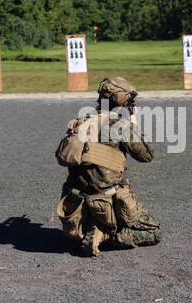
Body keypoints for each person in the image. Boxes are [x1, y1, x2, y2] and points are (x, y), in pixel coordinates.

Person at [55, 76, 162, 256]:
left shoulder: (80, 122)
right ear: (122, 100)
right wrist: (133, 121)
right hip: (107, 199)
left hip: (75, 201)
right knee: (153, 232)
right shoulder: (120, 125)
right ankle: (107, 235)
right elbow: (147, 155)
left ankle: (91, 226)